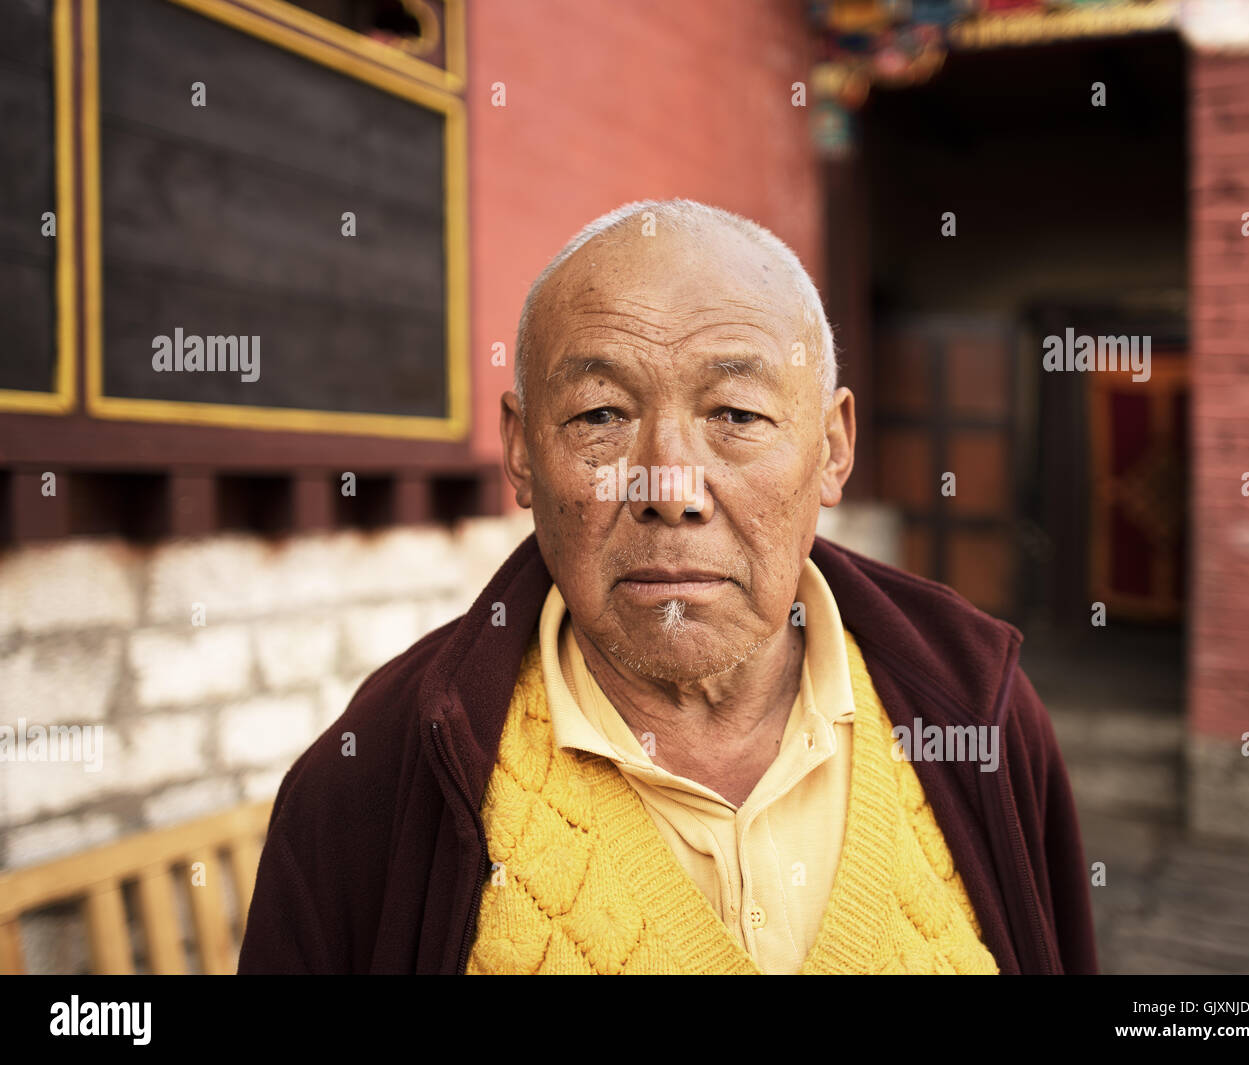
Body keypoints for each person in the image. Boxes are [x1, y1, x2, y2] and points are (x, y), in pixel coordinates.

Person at [237, 199, 1097, 974]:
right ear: (523, 451)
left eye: (736, 415)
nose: (670, 489)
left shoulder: (977, 711)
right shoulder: (375, 781)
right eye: (601, 416)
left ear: (833, 448)